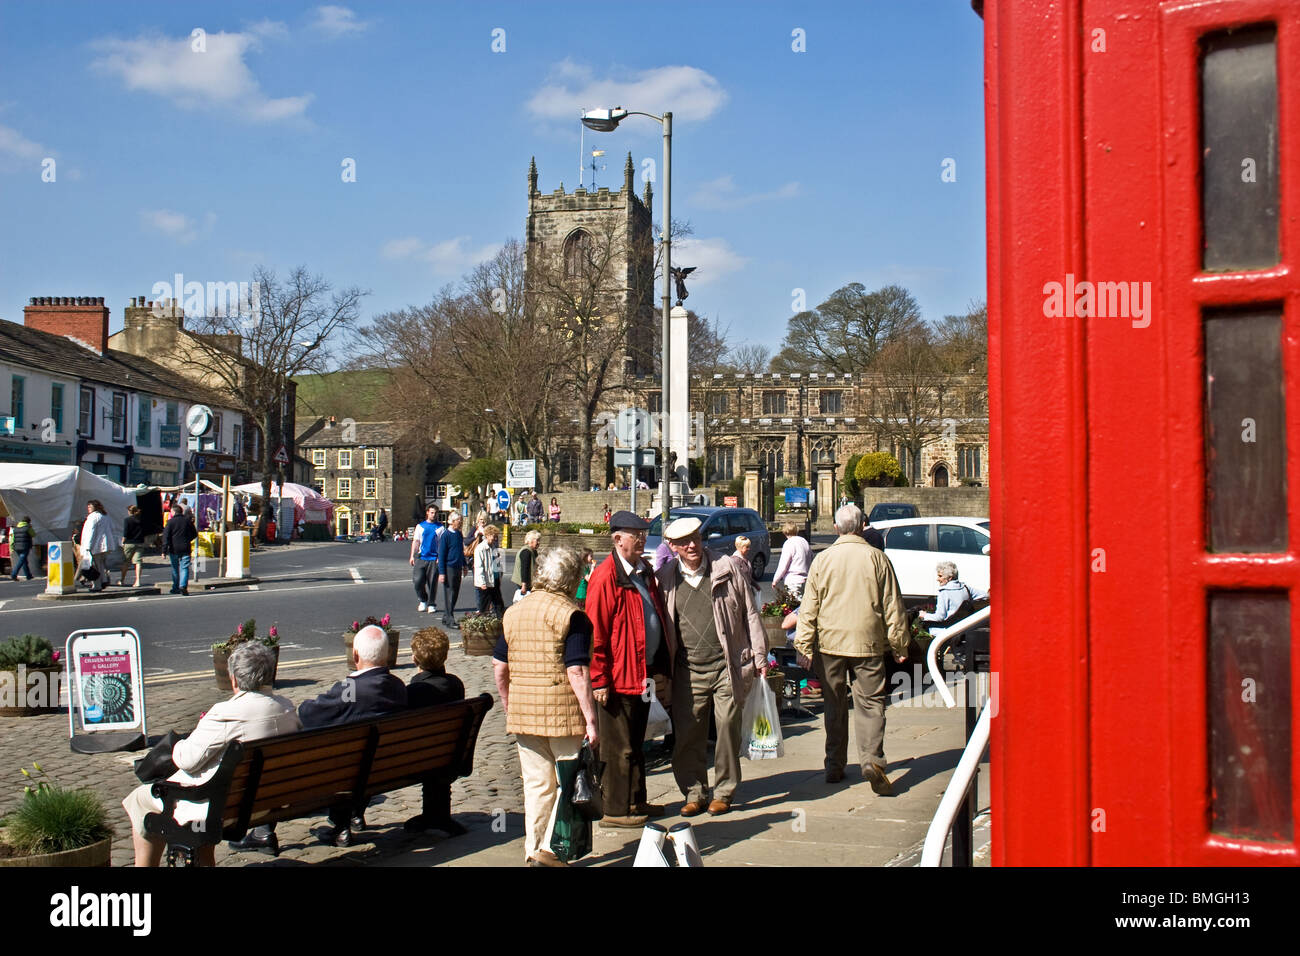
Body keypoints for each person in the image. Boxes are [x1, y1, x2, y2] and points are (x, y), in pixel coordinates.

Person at [124, 642, 300, 866]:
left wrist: (183, 742)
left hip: (221, 805)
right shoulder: (286, 708)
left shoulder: (225, 713)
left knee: (140, 798)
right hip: (266, 799)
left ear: (234, 678)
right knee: (212, 790)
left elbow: (186, 760)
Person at [493, 547, 600, 866]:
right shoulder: (573, 616)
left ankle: (533, 847)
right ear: (572, 580)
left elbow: (499, 666)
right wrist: (591, 720)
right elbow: (577, 670)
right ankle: (551, 851)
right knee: (566, 783)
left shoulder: (514, 612)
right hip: (563, 715)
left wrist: (510, 704)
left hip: (524, 715)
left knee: (537, 785)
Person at [794, 504, 910, 794]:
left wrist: (804, 644)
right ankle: (872, 761)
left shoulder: (822, 560)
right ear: (861, 527)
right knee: (871, 704)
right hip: (867, 641)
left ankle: (834, 765)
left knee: (834, 704)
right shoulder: (877, 558)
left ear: (836, 528)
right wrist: (899, 643)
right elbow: (892, 605)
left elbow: (809, 607)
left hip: (830, 643)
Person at [657, 517, 767, 816]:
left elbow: (751, 613)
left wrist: (759, 656)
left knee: (727, 728)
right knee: (688, 733)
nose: (691, 545)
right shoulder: (665, 577)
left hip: (725, 665)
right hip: (687, 669)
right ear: (672, 547)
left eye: (695, 538)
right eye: (683, 542)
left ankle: (724, 791)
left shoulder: (727, 567)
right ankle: (694, 791)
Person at [585, 510, 677, 827]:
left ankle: (636, 800)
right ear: (617, 538)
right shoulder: (605, 576)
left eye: (643, 533)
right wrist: (599, 680)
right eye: (635, 534)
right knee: (617, 747)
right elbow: (595, 634)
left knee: (637, 743)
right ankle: (614, 810)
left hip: (642, 671)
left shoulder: (641, 570)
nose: (641, 539)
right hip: (617, 677)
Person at [299, 625, 408, 845]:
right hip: (388, 767)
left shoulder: (350, 690)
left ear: (355, 655)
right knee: (366, 755)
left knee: (345, 759)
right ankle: (356, 813)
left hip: (349, 771)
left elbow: (307, 714)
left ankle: (341, 825)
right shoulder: (398, 686)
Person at [405, 628, 468, 836]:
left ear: (415, 659)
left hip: (420, 760)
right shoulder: (456, 685)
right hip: (451, 756)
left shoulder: (413, 692)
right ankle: (440, 816)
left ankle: (432, 816)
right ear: (446, 656)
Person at [918, 561, 988, 623]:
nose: (937, 579)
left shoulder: (944, 592)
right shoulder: (966, 588)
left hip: (946, 630)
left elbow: (939, 617)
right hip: (963, 627)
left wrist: (924, 615)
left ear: (950, 577)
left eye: (940, 576)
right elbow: (985, 595)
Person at [409, 505, 441, 614]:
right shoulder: (420, 526)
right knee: (417, 581)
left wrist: (439, 557)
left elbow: (442, 545)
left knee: (432, 583)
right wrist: (412, 556)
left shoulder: (440, 528)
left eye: (435, 513)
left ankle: (431, 604)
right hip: (421, 557)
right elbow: (416, 541)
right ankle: (423, 599)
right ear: (427, 513)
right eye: (432, 512)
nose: (434, 515)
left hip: (433, 558)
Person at [437, 513, 467, 628]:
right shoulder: (446, 535)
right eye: (458, 520)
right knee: (449, 593)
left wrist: (464, 565)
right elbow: (442, 555)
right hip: (449, 567)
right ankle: (450, 619)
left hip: (458, 567)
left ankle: (446, 616)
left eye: (460, 520)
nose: (460, 522)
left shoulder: (459, 534)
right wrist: (442, 573)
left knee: (455, 593)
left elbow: (461, 552)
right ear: (452, 521)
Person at [78, 499, 114, 593]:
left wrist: (87, 546)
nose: (88, 508)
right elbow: (111, 529)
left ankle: (97, 585)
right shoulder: (105, 516)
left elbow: (90, 532)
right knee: (100, 565)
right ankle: (103, 581)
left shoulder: (93, 517)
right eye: (88, 506)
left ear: (95, 506)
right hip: (105, 545)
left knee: (94, 566)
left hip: (95, 545)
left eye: (90, 506)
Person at [161, 502, 197, 595]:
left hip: (174, 548)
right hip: (185, 547)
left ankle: (175, 587)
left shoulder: (170, 522)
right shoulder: (187, 521)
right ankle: (183, 586)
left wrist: (164, 550)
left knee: (175, 568)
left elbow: (166, 537)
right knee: (184, 567)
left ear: (173, 512)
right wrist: (187, 539)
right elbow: (194, 534)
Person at [772, 521, 812, 602]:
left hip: (793, 580)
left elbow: (783, 565)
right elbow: (810, 557)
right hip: (805, 579)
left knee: (795, 607)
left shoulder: (789, 543)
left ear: (784, 532)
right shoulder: (804, 542)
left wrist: (775, 580)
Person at [473, 523, 506, 616]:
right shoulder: (480, 549)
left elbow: (498, 564)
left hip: (494, 581)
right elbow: (479, 567)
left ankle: (500, 623)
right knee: (484, 608)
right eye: (493, 536)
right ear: (487, 535)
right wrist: (482, 582)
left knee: (499, 606)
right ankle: (481, 627)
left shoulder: (494, 548)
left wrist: (499, 577)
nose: (495, 538)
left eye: (496, 536)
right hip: (485, 583)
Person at [118, 505, 145, 587]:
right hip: (140, 542)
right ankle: (138, 581)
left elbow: (125, 533)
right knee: (138, 562)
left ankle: (122, 580)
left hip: (129, 542)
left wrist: (122, 542)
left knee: (126, 562)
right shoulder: (140, 520)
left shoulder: (127, 520)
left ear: (129, 511)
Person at [511, 529, 540, 601]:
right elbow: (524, 569)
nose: (539, 543)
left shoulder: (533, 551)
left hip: (528, 581)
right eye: (537, 540)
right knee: (526, 600)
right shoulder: (526, 552)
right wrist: (524, 585)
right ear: (531, 540)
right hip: (524, 582)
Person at [8, 516, 33, 581]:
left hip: (17, 547)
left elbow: (12, 539)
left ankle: (28, 575)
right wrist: (31, 528)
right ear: (28, 522)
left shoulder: (15, 529)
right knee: (21, 561)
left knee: (24, 561)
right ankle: (14, 574)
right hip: (25, 546)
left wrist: (11, 547)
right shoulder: (28, 528)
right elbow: (33, 534)